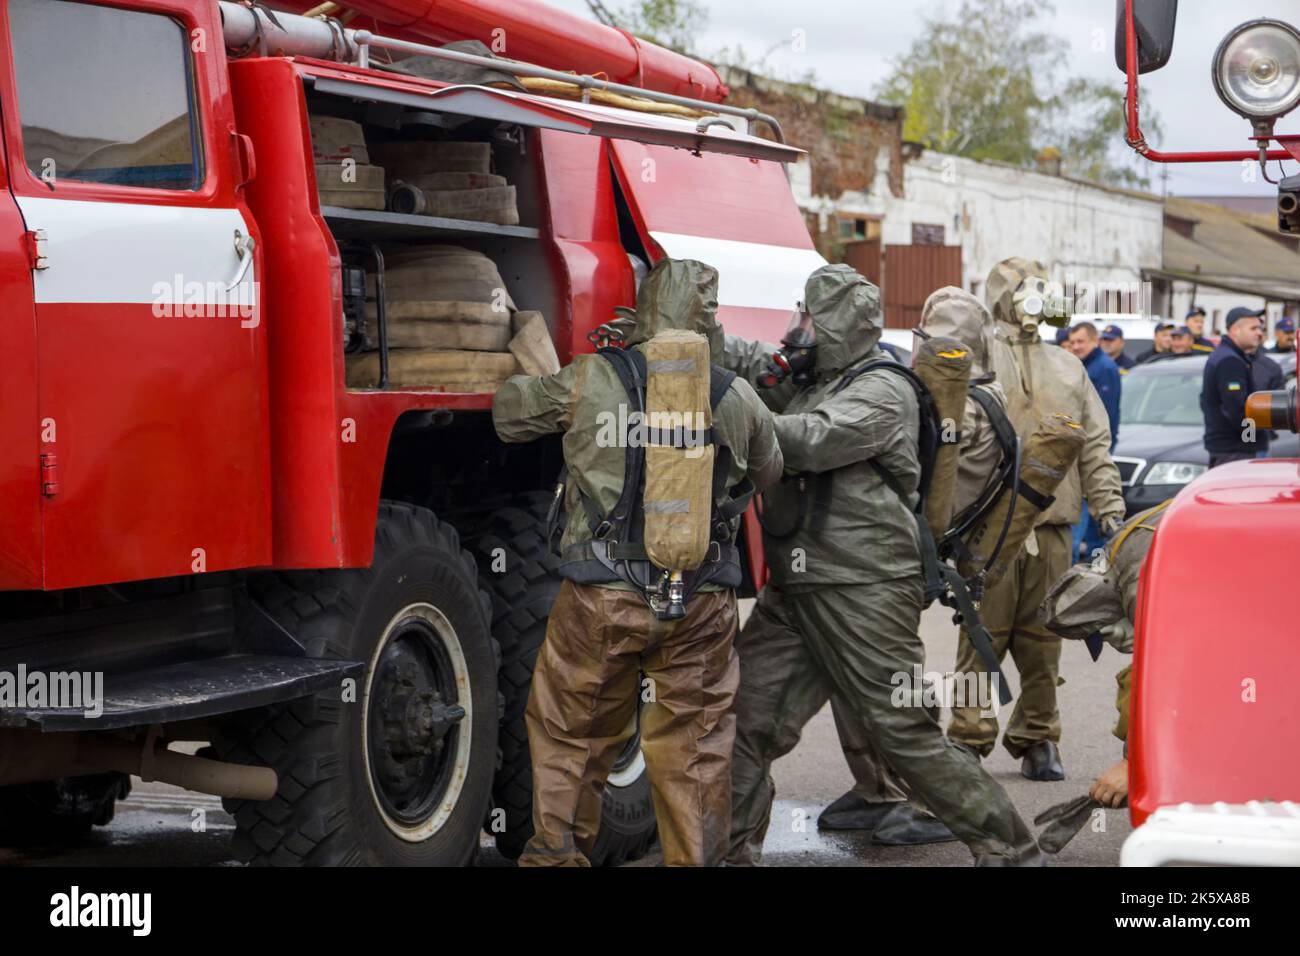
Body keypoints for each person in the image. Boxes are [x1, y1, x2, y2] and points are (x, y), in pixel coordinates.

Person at [723, 264, 1041, 866]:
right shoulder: (823, 377)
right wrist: (700, 342)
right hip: (800, 587)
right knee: (741, 723)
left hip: (864, 589)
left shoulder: (882, 391)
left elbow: (809, 438)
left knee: (903, 735)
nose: (799, 331)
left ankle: (1015, 852)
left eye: (810, 320)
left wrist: (725, 414)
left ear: (839, 327)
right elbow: (757, 364)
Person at [492, 258, 783, 866]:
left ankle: (557, 858)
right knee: (696, 750)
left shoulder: (593, 376)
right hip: (702, 601)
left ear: (645, 309)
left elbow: (509, 415)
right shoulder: (736, 394)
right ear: (708, 320)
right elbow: (771, 470)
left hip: (601, 598)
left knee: (572, 737)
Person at [817, 286, 1018, 844]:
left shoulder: (967, 410)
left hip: (899, 560)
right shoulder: (973, 401)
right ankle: (877, 788)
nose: (913, 353)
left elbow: (909, 470)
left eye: (925, 344)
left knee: (895, 690)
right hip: (897, 556)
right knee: (856, 679)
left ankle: (937, 806)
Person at [947, 258, 1125, 782]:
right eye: (1024, 290)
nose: (1034, 301)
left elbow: (1094, 445)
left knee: (1045, 640)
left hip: (1051, 530)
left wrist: (1110, 510)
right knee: (981, 636)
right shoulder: (980, 361)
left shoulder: (1070, 367)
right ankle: (968, 737)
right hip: (987, 529)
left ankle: (1038, 738)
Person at [1066, 321, 1121, 562]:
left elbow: (1101, 418)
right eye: (1073, 342)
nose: (1077, 346)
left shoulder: (1102, 368)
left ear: (1094, 340)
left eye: (1081, 341)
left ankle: (1090, 570)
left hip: (1091, 454)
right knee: (1086, 525)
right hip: (1082, 453)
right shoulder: (1085, 366)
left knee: (1088, 522)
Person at [1201, 306, 1269, 469]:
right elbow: (1237, 410)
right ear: (1235, 330)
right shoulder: (1229, 361)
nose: (1259, 333)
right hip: (1236, 451)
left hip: (1231, 449)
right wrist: (1252, 440)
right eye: (1253, 328)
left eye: (1259, 328)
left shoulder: (1228, 356)